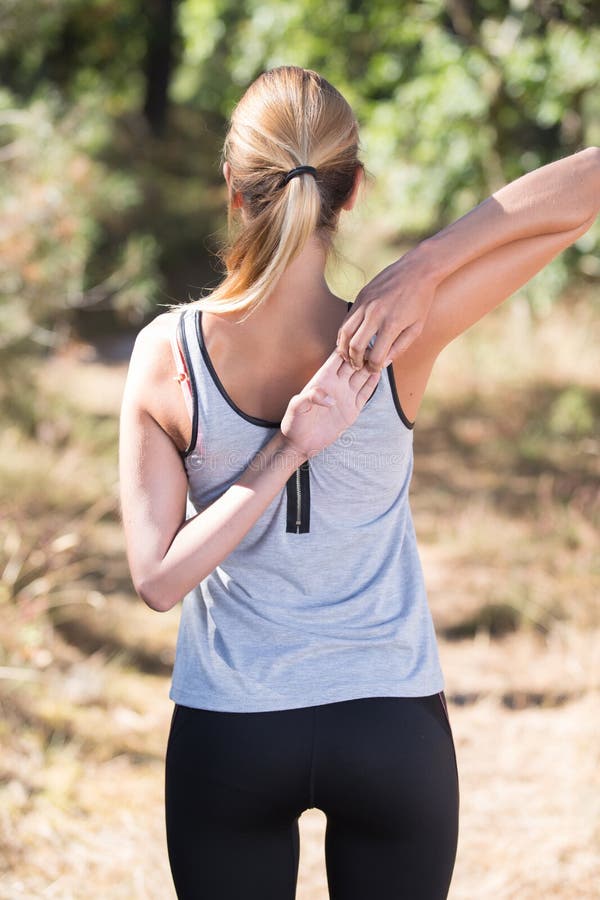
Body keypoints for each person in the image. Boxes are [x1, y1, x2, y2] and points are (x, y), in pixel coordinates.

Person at [118, 65, 599, 900]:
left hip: (231, 737)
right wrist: (428, 266)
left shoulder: (168, 356)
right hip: (392, 729)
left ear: (233, 187)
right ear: (354, 192)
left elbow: (158, 579)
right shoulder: (402, 332)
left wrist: (272, 457)